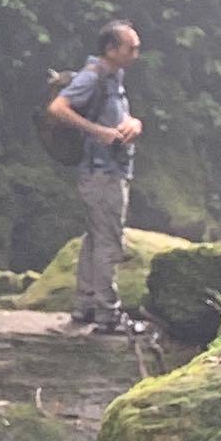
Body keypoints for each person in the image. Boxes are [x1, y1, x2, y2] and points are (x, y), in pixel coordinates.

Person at [46, 18, 145, 333]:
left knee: (95, 238)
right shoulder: (92, 77)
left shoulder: (114, 77)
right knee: (108, 242)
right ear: (111, 49)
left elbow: (117, 114)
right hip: (102, 173)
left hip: (109, 169)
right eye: (131, 48)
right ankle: (108, 313)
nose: (136, 54)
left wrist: (133, 123)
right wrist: (99, 132)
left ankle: (85, 304)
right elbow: (58, 108)